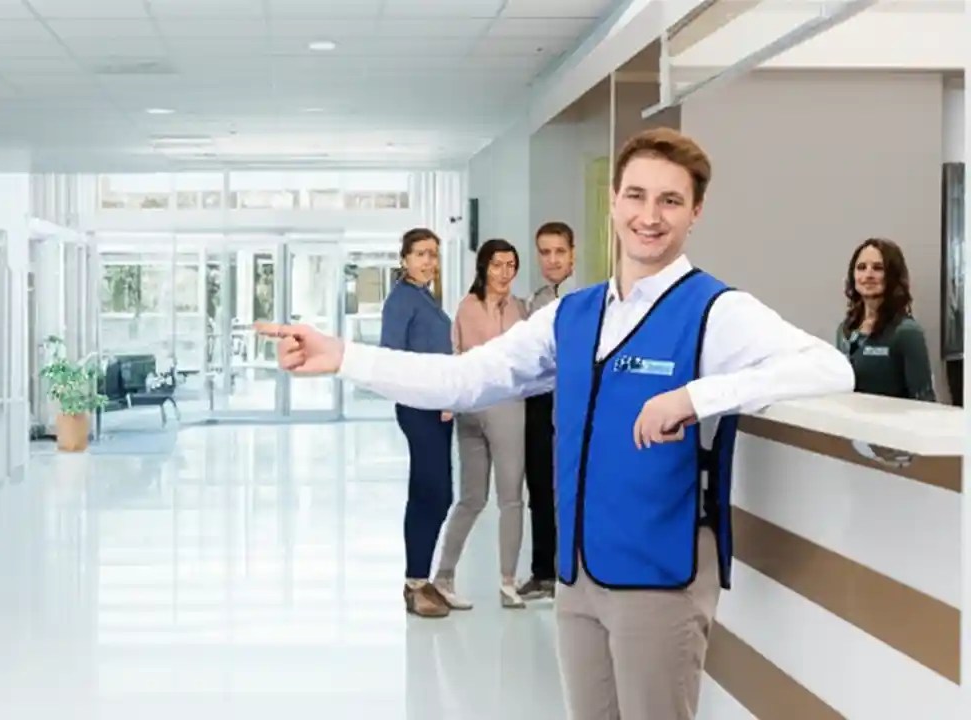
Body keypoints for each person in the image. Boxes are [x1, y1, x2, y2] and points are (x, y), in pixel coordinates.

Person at [256, 127, 854, 720]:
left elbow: (829, 368)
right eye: (637, 196)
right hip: (579, 576)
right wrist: (345, 357)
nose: (650, 215)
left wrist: (697, 396)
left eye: (670, 200)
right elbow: (465, 378)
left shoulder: (716, 310)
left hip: (658, 577)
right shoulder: (572, 314)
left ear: (695, 212)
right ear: (613, 202)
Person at [433, 238, 529, 610]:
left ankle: (507, 581)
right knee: (472, 497)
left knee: (511, 498)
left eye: (511, 265)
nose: (505, 273)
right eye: (497, 265)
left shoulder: (519, 310)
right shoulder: (467, 307)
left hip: (507, 404)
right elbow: (458, 355)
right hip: (472, 408)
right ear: (484, 268)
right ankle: (443, 575)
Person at [380, 227, 455, 619]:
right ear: (405, 259)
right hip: (420, 408)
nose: (429, 262)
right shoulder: (401, 301)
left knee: (438, 493)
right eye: (422, 254)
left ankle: (421, 578)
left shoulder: (425, 298)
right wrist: (432, 394)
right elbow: (392, 358)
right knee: (432, 492)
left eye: (434, 255)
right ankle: (414, 584)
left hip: (438, 405)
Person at [517, 221, 576, 603]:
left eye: (559, 251)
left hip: (572, 401)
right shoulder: (535, 302)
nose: (552, 259)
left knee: (571, 488)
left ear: (573, 253)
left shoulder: (588, 298)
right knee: (539, 487)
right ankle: (543, 573)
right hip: (539, 403)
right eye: (545, 252)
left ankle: (571, 572)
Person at [836, 238, 936, 401]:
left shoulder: (907, 332)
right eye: (861, 268)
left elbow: (924, 399)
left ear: (892, 276)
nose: (868, 275)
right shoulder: (844, 330)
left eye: (878, 268)